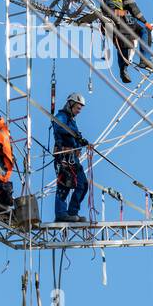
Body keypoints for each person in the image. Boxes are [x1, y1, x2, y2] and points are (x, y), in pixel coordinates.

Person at [102, 0, 153, 84]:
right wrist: (145, 23)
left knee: (124, 43)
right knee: (146, 30)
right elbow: (133, 8)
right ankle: (145, 60)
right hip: (119, 15)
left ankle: (123, 69)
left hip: (107, 18)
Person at [53, 91, 89, 222]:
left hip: (73, 158)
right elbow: (59, 128)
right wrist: (75, 134)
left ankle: (72, 212)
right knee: (64, 184)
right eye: (77, 108)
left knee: (83, 185)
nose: (79, 111)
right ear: (70, 104)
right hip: (63, 157)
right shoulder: (61, 116)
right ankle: (61, 214)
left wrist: (81, 141)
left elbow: (74, 137)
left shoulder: (72, 121)